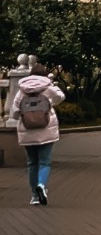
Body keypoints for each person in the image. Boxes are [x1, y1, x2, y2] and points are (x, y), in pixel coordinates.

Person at [11, 63, 65, 206]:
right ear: (45, 75)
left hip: (27, 131)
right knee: (44, 161)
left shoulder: (22, 90)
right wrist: (52, 86)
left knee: (32, 163)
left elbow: (15, 113)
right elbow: (61, 97)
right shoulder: (48, 88)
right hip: (46, 129)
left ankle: (34, 196)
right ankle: (41, 185)